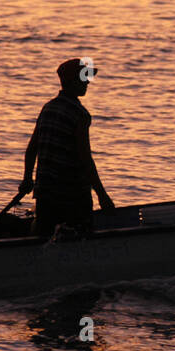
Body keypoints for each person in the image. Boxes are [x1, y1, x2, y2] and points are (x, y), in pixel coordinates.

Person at [19, 58, 115, 236]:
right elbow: (85, 159)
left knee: (43, 238)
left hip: (45, 193)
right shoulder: (80, 114)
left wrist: (27, 179)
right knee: (81, 235)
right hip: (71, 195)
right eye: (83, 78)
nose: (87, 82)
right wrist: (102, 195)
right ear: (72, 82)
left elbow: (32, 148)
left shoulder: (48, 108)